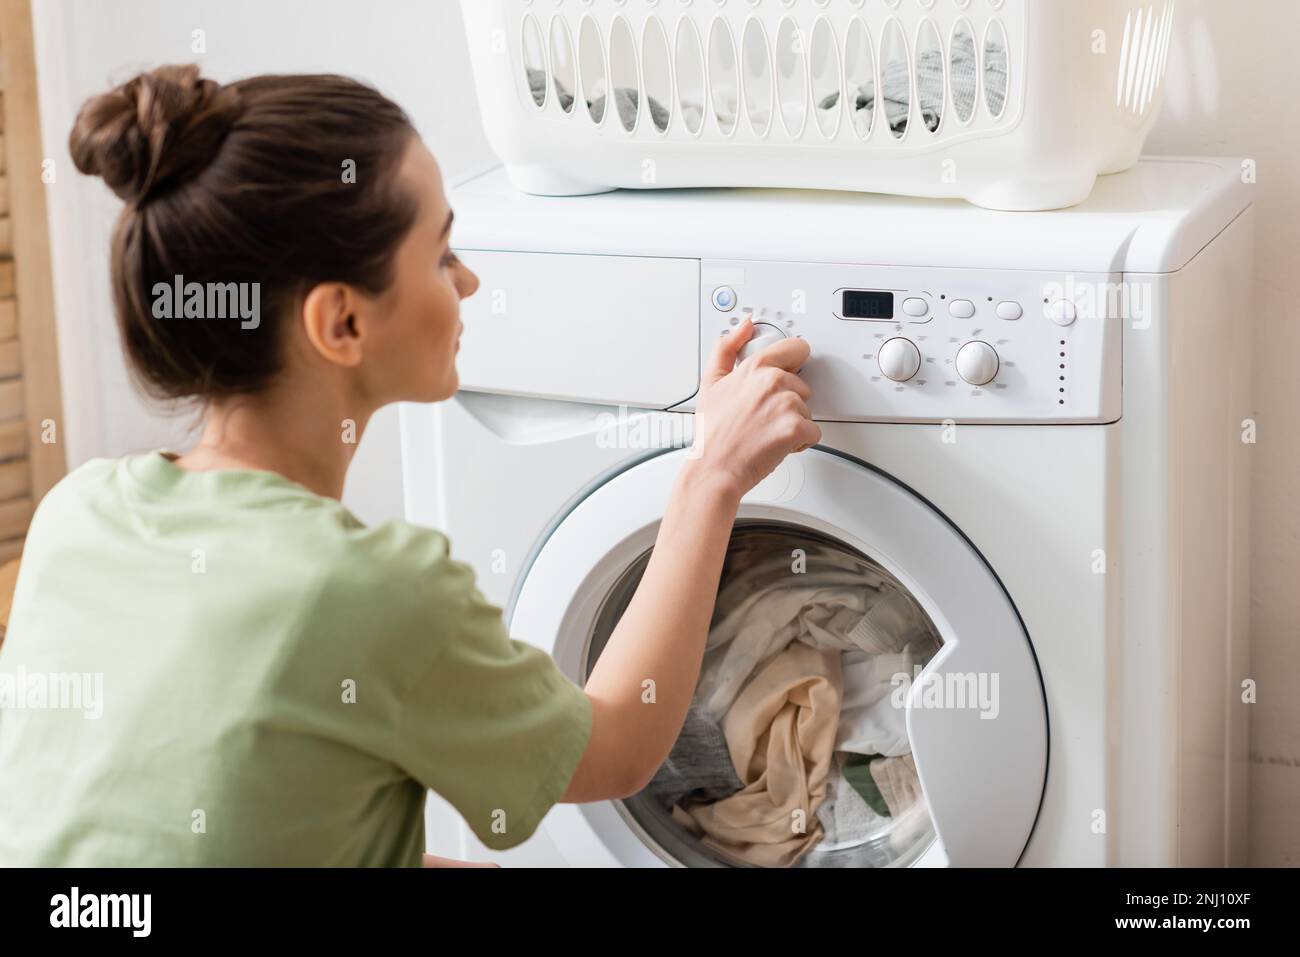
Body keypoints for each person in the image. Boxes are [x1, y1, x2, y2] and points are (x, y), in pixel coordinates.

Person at [0, 65, 818, 865]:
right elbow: (618, 747)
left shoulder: (78, 512)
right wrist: (711, 476)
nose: (468, 279)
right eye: (439, 254)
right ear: (343, 322)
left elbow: (186, 811)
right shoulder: (367, 588)